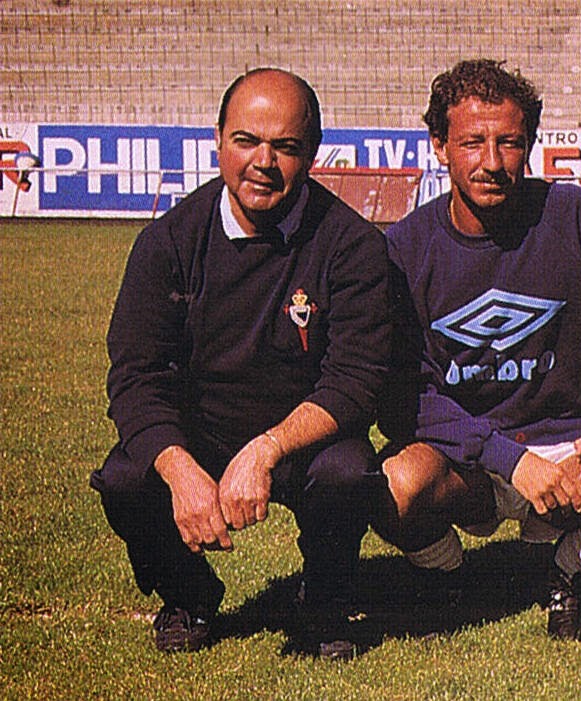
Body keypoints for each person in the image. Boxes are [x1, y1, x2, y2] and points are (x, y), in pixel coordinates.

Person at [90, 68, 393, 660]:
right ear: (218, 138)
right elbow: (135, 375)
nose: (263, 162)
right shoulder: (169, 241)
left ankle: (326, 599)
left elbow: (357, 380)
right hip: (199, 434)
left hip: (301, 436)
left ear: (312, 151)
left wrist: (266, 449)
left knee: (347, 473)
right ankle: (190, 594)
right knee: (127, 478)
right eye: (246, 141)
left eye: (286, 147)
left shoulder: (353, 244)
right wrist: (180, 470)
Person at [372, 59, 581, 641]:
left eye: (509, 143)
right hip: (467, 457)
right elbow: (401, 393)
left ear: (530, 145)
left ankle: (571, 570)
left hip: (574, 455)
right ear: (439, 145)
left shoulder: (573, 215)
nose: (492, 162)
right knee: (390, 486)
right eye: (472, 142)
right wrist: (507, 460)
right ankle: (447, 574)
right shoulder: (404, 249)